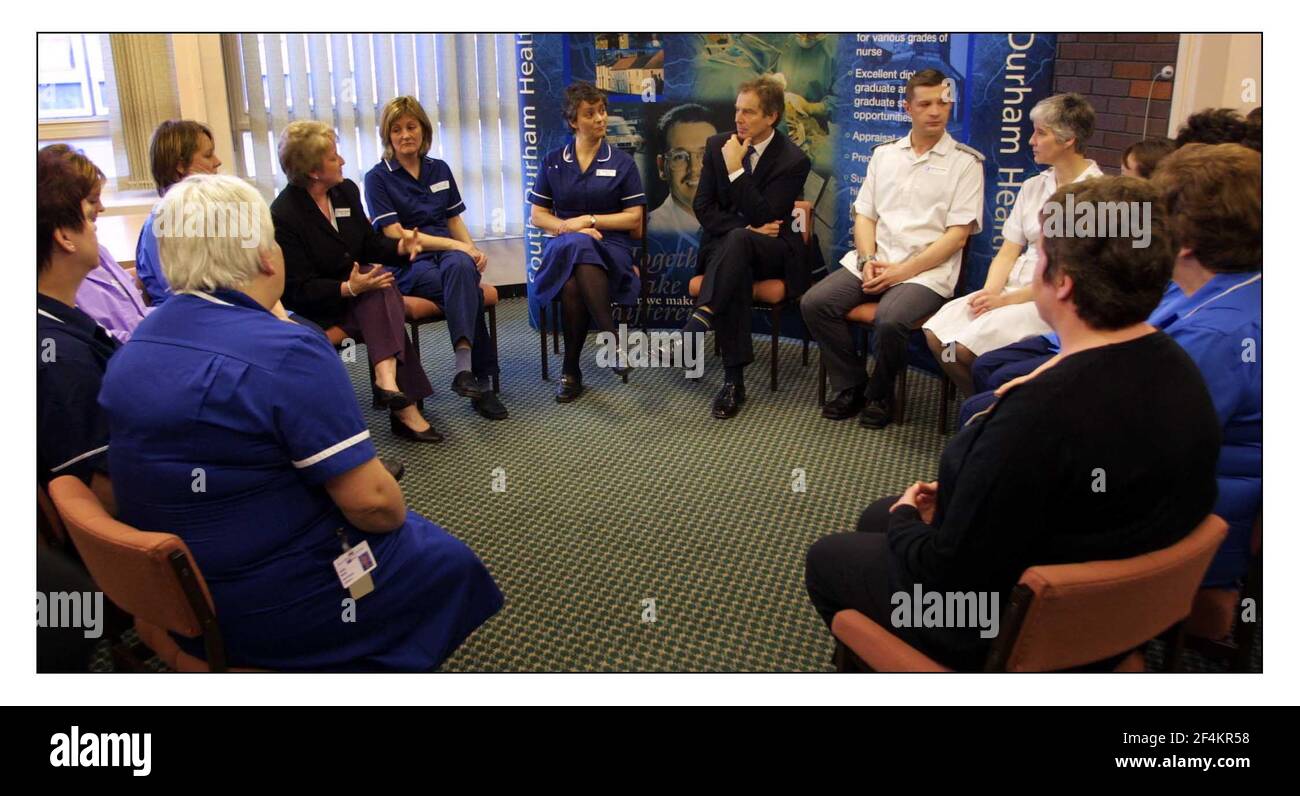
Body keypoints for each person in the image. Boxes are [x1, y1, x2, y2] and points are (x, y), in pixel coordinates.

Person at [805, 176, 1221, 671]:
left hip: (999, 623)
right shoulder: (1188, 375)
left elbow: (947, 573)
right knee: (877, 517)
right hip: (1111, 604)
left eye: (1040, 256)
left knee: (830, 556)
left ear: (1062, 281)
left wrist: (904, 520)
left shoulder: (1028, 420)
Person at [99, 174, 503, 671]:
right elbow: (377, 508)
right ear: (265, 256)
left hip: (178, 605)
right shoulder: (288, 352)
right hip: (271, 613)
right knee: (451, 564)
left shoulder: (131, 349)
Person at [801, 69, 983, 428]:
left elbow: (957, 236)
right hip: (875, 261)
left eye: (943, 103)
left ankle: (881, 394)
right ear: (908, 108)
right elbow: (865, 216)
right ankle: (853, 384)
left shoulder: (965, 163)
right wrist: (868, 260)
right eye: (926, 103)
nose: (936, 111)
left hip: (927, 273)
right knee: (815, 303)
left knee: (890, 319)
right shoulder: (885, 155)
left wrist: (903, 272)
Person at [270, 120, 442, 443]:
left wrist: (401, 247)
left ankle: (388, 384)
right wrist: (349, 288)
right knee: (381, 293)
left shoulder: (345, 191)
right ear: (313, 171)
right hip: (320, 307)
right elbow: (297, 289)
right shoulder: (284, 215)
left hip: (359, 294)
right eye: (335, 157)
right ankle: (400, 403)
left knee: (382, 285)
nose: (343, 161)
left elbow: (367, 244)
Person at [922, 94, 1099, 395]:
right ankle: (979, 403)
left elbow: (1068, 276)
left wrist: (1004, 302)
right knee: (938, 338)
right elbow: (1008, 251)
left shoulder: (1097, 196)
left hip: (1046, 301)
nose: (1031, 140)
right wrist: (990, 292)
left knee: (963, 349)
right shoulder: (1033, 187)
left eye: (1041, 133)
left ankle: (990, 412)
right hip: (1005, 291)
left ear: (1068, 139)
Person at [1147, 143, 1261, 587]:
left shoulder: (1214, 337)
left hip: (1199, 518)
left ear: (1185, 241)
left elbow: (1145, 448)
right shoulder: (1244, 291)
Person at [363, 96, 506, 420]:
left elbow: (454, 219)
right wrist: (457, 247)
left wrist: (473, 252)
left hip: (449, 258)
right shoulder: (377, 178)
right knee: (464, 285)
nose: (405, 135)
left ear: (423, 130)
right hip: (409, 263)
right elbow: (397, 235)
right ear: (387, 136)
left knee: (461, 270)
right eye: (396, 129)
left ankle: (465, 373)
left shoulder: (438, 169)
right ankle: (477, 380)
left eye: (411, 127)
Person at [683, 74, 812, 419]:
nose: (738, 119)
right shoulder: (716, 145)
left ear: (771, 117)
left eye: (749, 112)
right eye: (737, 110)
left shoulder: (793, 160)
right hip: (729, 247)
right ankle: (732, 381)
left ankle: (702, 319)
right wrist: (746, 227)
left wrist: (736, 170)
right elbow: (703, 207)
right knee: (736, 254)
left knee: (738, 246)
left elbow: (767, 215)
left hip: (772, 252)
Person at [527, 82, 647, 403]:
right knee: (577, 247)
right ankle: (612, 341)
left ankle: (570, 370)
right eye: (590, 113)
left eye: (603, 111)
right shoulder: (553, 160)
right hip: (564, 244)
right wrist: (572, 228)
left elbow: (634, 219)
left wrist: (590, 221)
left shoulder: (622, 162)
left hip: (611, 249)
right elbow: (538, 216)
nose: (600, 119)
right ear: (573, 121)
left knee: (571, 286)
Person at [37, 147, 118, 515]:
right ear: (64, 238)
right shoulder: (60, 360)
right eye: (89, 214)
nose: (99, 213)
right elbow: (104, 496)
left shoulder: (60, 318)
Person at [41, 144, 152, 343]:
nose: (101, 208)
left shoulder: (99, 252)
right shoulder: (66, 274)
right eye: (92, 201)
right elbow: (102, 338)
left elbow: (137, 316)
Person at [135, 120, 223, 306]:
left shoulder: (204, 212)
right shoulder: (165, 222)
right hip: (192, 319)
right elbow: (192, 296)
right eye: (208, 155)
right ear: (180, 167)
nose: (217, 162)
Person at [648, 103, 716, 239]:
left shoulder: (742, 222)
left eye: (705, 154)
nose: (694, 168)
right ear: (662, 167)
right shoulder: (651, 230)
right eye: (679, 156)